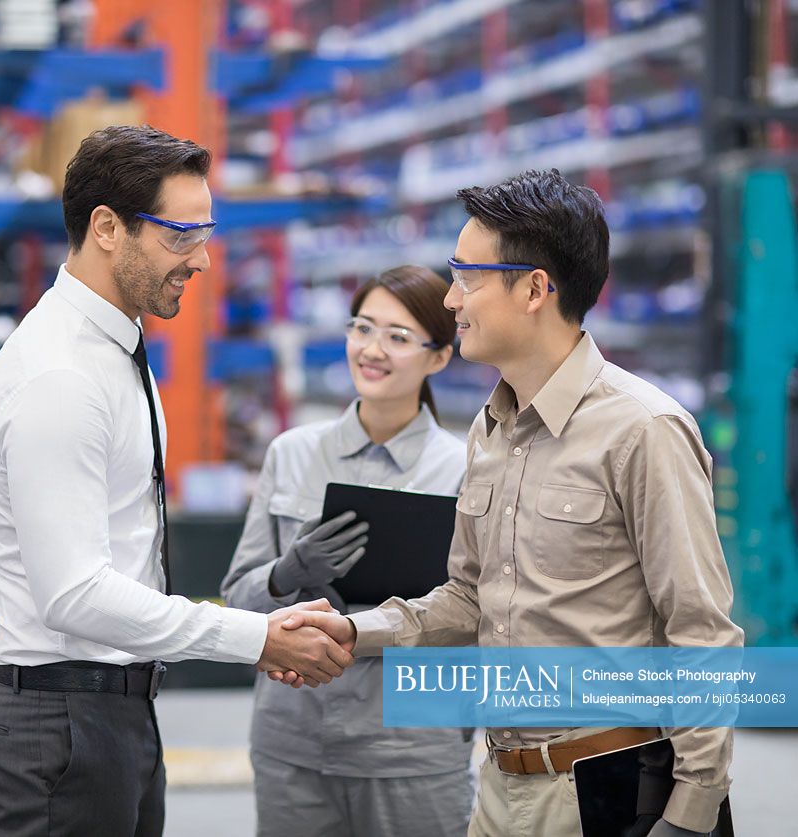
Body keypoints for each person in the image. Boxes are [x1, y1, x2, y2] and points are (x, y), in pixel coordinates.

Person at [279, 169, 742, 837]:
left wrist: (692, 811)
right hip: (501, 785)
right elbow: (467, 598)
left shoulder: (642, 429)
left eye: (466, 275)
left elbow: (699, 631)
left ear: (532, 288)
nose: (450, 298)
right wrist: (354, 632)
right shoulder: (490, 430)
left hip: (607, 786)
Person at [0, 124, 353, 837]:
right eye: (181, 236)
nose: (201, 260)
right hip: (62, 722)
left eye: (204, 235)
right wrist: (252, 636)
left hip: (113, 710)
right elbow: (73, 592)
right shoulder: (61, 375)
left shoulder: (116, 350)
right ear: (106, 228)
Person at [221, 265, 476, 837]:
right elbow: (237, 596)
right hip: (293, 740)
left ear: (439, 357)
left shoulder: (465, 470)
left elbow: (477, 614)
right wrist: (287, 573)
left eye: (398, 336)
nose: (372, 349)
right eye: (363, 328)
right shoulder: (291, 453)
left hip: (412, 749)